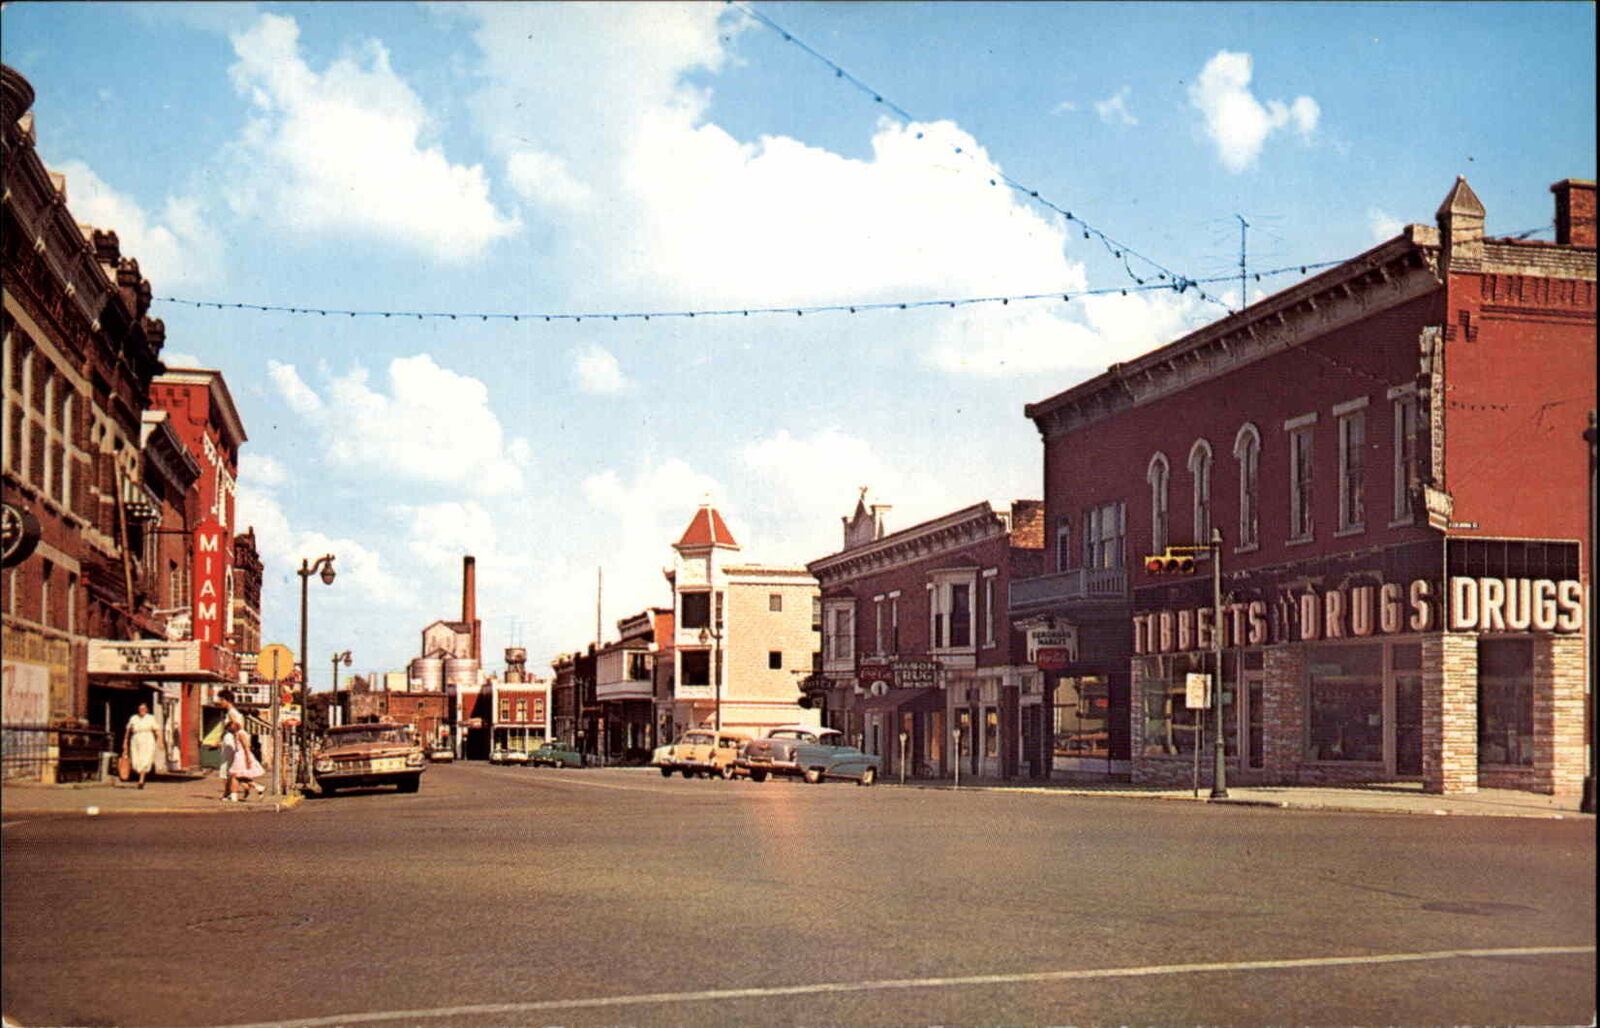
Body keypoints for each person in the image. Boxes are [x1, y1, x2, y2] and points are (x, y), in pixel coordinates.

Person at [213, 689, 248, 800]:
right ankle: (237, 789)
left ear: (226, 700)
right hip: (231, 740)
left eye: (221, 700)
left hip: (230, 741)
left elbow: (236, 727)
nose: (220, 702)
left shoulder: (232, 713)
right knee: (231, 767)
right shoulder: (234, 712)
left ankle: (228, 793)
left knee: (226, 768)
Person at [223, 721, 266, 802]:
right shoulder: (237, 734)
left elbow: (246, 746)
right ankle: (257, 787)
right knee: (238, 776)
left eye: (229, 728)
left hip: (241, 756)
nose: (229, 731)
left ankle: (234, 796)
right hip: (239, 755)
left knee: (234, 775)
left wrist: (248, 758)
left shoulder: (240, 734)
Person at [122, 702, 160, 789]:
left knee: (145, 759)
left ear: (147, 710)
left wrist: (160, 741)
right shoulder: (133, 718)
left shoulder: (151, 718)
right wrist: (125, 742)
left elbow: (157, 730)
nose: (142, 711)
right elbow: (128, 731)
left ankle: (141, 780)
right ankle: (140, 775)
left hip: (147, 739)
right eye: (140, 709)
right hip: (136, 739)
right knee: (136, 760)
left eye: (143, 709)